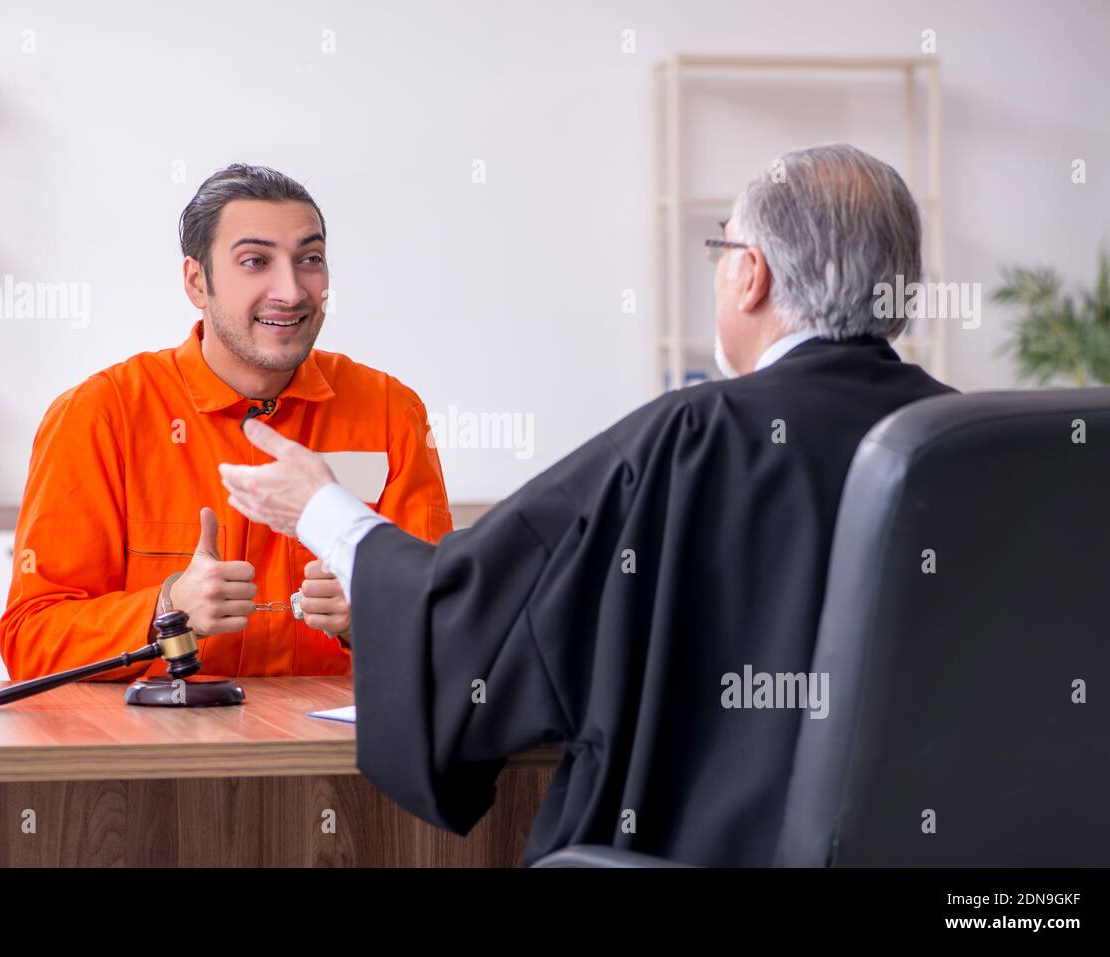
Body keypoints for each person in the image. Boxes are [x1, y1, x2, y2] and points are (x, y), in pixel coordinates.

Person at [218, 144, 957, 865]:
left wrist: (319, 509)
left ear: (750, 276)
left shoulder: (695, 436)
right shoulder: (971, 442)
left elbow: (474, 612)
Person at [0, 164, 451, 681]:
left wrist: (368, 618)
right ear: (197, 281)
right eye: (255, 261)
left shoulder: (392, 411)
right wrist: (167, 608)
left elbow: (450, 631)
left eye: (310, 260)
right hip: (164, 757)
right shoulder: (100, 415)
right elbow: (30, 639)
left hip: (339, 756)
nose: (291, 291)